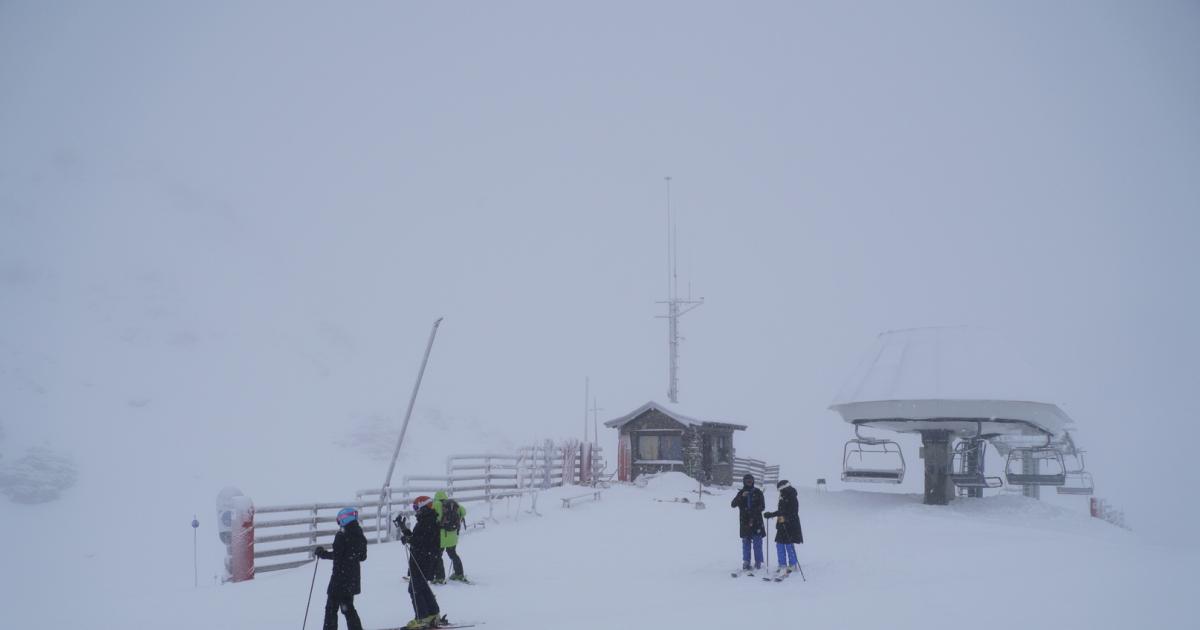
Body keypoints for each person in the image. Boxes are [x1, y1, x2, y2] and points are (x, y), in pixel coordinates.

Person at [313, 507, 368, 630]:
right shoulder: (359, 533)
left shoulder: (342, 535)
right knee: (348, 608)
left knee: (331, 609)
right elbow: (362, 556)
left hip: (339, 578)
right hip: (352, 578)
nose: (338, 523)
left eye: (339, 520)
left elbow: (337, 556)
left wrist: (322, 553)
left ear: (344, 519)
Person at [395, 495, 443, 629]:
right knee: (421, 586)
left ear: (423, 507)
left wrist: (409, 540)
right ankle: (433, 613)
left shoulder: (427, 521)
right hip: (423, 559)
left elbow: (423, 542)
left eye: (416, 507)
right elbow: (418, 538)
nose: (415, 510)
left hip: (424, 560)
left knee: (414, 588)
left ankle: (422, 618)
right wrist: (404, 528)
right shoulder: (427, 520)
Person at [763, 479, 804, 578]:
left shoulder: (792, 496)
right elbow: (781, 511)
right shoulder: (783, 496)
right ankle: (782, 564)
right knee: (780, 544)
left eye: (780, 490)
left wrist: (786, 518)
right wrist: (771, 514)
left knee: (789, 544)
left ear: (783, 488)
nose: (779, 492)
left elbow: (794, 512)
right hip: (782, 524)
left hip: (790, 524)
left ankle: (793, 564)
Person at [730, 473, 766, 571]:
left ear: (753, 481)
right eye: (747, 481)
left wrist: (753, 511)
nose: (749, 482)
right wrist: (741, 496)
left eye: (751, 481)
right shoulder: (741, 492)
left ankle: (758, 562)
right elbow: (733, 504)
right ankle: (746, 561)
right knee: (746, 542)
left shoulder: (758, 492)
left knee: (757, 542)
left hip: (756, 520)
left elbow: (762, 506)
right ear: (744, 482)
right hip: (745, 521)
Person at [431, 490, 468, 583]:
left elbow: (432, 517)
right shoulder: (453, 504)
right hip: (453, 535)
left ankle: (440, 577)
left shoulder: (436, 504)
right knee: (453, 554)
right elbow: (464, 512)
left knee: (437, 556)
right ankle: (459, 574)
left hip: (442, 536)